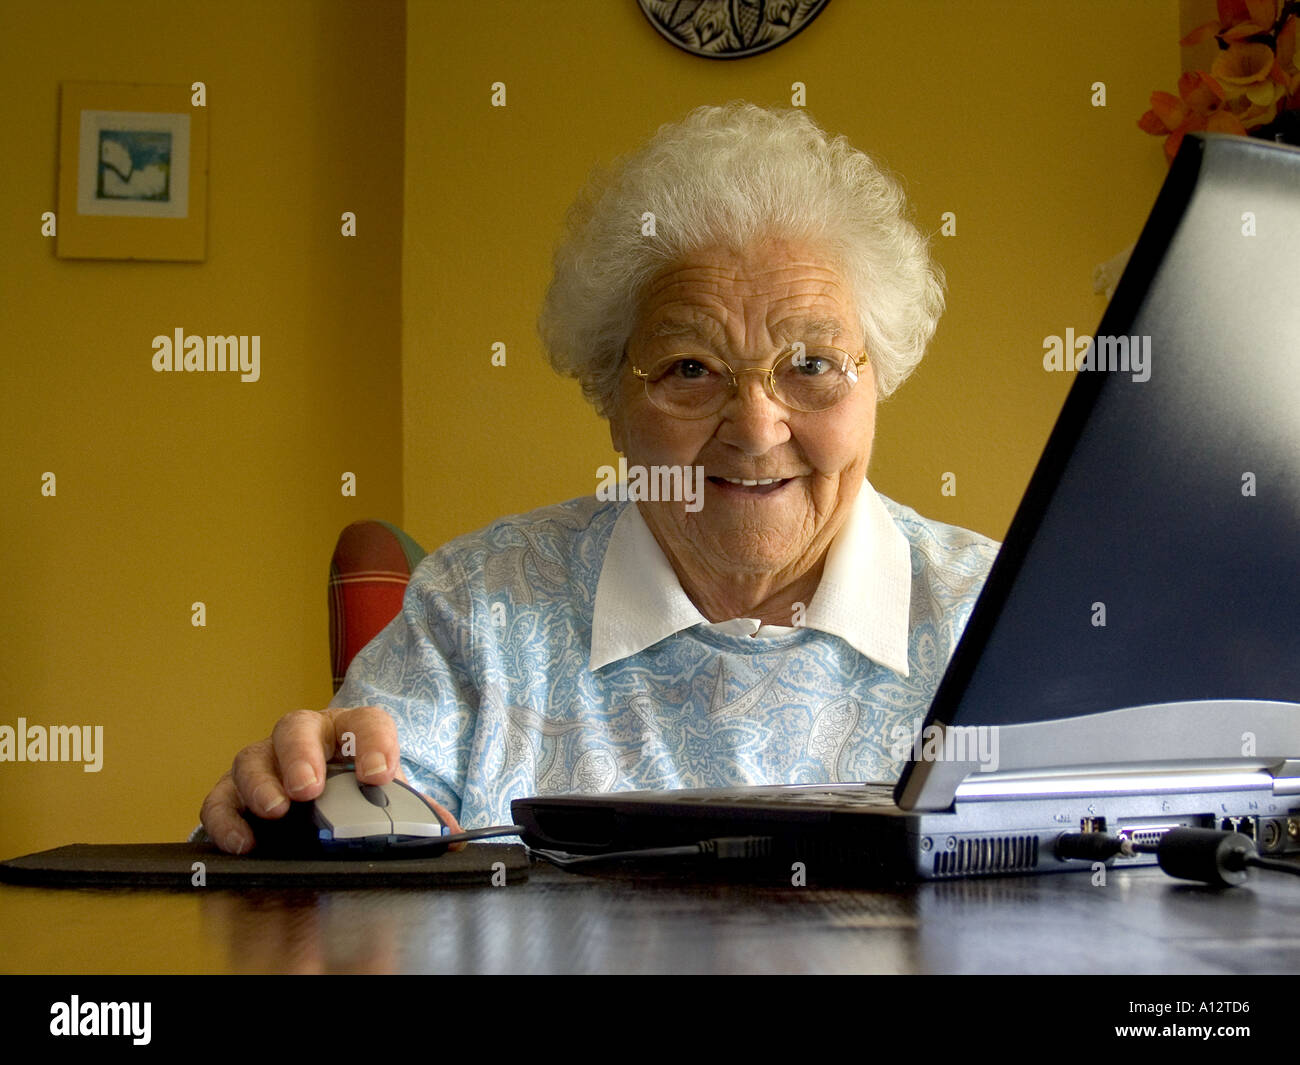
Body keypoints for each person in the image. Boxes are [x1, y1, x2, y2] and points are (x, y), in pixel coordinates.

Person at [200, 102, 999, 854]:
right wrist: (292, 810)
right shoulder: (480, 610)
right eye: (691, 367)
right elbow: (353, 846)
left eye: (813, 365)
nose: (757, 429)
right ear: (610, 399)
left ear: (878, 378)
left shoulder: (995, 620)